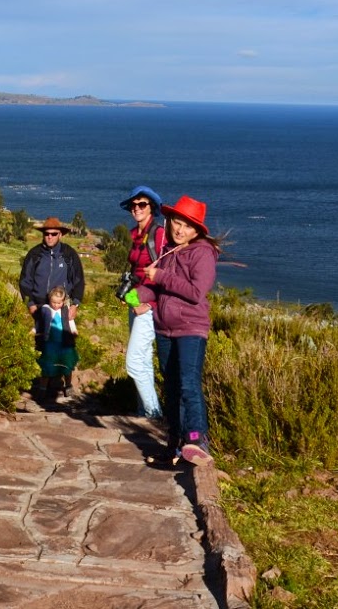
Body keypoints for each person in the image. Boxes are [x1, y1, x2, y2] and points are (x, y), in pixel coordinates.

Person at [150, 195, 220, 466]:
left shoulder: (202, 253)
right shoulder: (169, 251)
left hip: (191, 329)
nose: (180, 230)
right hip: (165, 329)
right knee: (171, 386)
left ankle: (197, 438)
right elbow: (155, 289)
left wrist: (161, 276)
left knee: (189, 384)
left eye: (187, 226)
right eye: (176, 223)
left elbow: (195, 292)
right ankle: (176, 444)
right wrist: (133, 298)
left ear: (197, 231)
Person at [19, 216, 84, 399]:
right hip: (41, 308)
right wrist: (30, 304)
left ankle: (67, 384)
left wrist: (75, 304)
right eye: (46, 234)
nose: (49, 237)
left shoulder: (69, 255)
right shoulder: (34, 254)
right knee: (43, 347)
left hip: (63, 308)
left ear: (60, 235)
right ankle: (42, 386)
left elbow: (78, 281)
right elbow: (24, 282)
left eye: (54, 234)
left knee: (66, 346)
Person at [119, 185, 165, 424]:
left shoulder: (158, 234)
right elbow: (136, 271)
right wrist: (132, 297)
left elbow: (166, 270)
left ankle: (153, 413)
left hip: (149, 305)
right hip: (136, 300)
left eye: (142, 204)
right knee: (144, 359)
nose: (137, 209)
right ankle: (143, 412)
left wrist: (150, 304)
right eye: (133, 205)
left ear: (152, 208)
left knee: (134, 361)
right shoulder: (134, 235)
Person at [37, 285, 80, 399]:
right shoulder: (46, 309)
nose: (56, 305)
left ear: (63, 301)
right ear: (49, 300)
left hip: (64, 343)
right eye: (54, 302)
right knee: (47, 366)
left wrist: (74, 330)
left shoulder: (65, 310)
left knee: (67, 366)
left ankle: (68, 386)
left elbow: (70, 322)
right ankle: (42, 389)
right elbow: (40, 323)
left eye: (59, 303)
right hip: (50, 344)